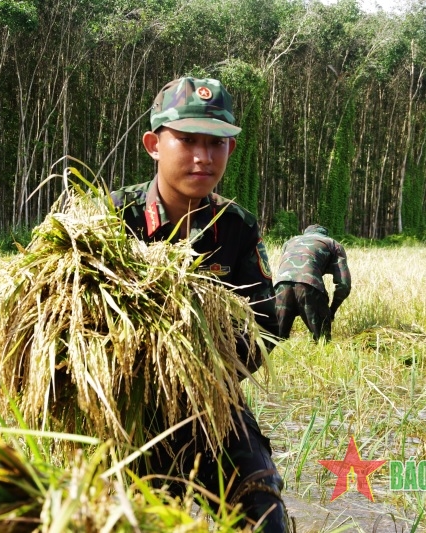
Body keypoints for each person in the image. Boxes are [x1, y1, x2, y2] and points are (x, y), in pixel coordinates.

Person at [111, 77, 288, 531]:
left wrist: (201, 370)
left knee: (265, 512)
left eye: (217, 143)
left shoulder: (236, 227)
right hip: (127, 413)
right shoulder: (108, 221)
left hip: (213, 402)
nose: (203, 157)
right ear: (154, 144)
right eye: (188, 140)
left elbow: (264, 325)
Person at [273, 224, 351, 342]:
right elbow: (344, 285)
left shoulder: (290, 242)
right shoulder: (333, 244)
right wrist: (332, 311)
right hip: (309, 286)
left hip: (281, 286)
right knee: (323, 340)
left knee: (275, 340)